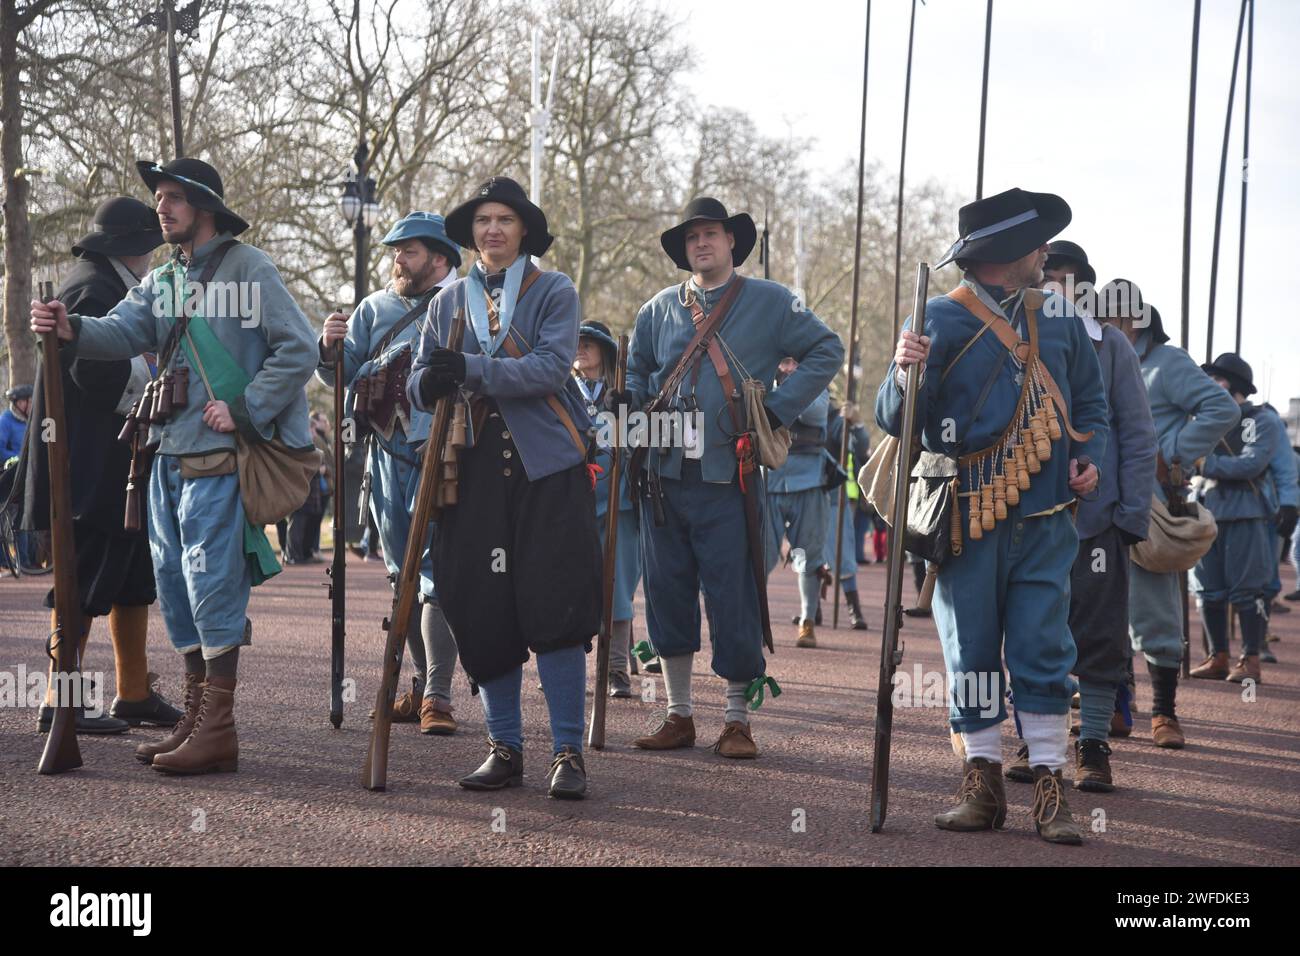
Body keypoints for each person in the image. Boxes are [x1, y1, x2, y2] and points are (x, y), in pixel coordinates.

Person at [30, 157, 318, 775]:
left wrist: (244, 407)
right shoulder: (165, 279)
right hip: (164, 454)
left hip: (217, 457)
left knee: (212, 583)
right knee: (178, 589)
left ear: (204, 206)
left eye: (173, 198)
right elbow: (117, 332)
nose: (161, 207)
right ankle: (195, 721)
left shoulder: (249, 267)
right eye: (158, 197)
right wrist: (69, 326)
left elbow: (301, 347)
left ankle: (218, 728)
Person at [877, 187, 1109, 844]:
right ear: (1012, 253)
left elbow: (1091, 412)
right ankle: (980, 780)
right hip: (964, 517)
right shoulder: (939, 320)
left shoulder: (1061, 321)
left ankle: (1049, 785)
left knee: (1043, 648)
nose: (1045, 254)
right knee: (971, 651)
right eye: (1037, 245)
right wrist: (902, 375)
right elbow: (897, 422)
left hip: (1045, 516)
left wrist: (1089, 462)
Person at [624, 196, 842, 759]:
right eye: (693, 236)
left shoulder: (771, 302)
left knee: (734, 594)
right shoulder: (656, 309)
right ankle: (677, 714)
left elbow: (826, 349)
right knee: (667, 592)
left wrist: (775, 409)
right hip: (664, 478)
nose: (702, 243)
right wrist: (641, 410)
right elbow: (637, 373)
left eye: (712, 234)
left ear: (730, 242)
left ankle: (737, 719)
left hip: (733, 477)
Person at [408, 176, 601, 798]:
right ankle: (505, 746)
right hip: (472, 472)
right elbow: (418, 378)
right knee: (482, 607)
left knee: (556, 604)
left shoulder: (554, 291)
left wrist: (469, 367)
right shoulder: (447, 300)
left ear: (523, 232)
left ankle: (567, 751)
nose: (493, 230)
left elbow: (549, 367)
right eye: (484, 221)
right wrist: (429, 383)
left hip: (546, 468)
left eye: (505, 221)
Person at [16, 196, 182, 734]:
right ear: (132, 248)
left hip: (112, 460)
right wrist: (156, 375)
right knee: (81, 581)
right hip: (89, 464)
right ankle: (58, 699)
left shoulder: (105, 284)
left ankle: (133, 693)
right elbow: (97, 376)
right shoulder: (95, 288)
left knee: (130, 578)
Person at [319, 211, 463, 734]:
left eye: (409, 251)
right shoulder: (373, 307)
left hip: (443, 455)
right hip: (384, 457)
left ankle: (439, 698)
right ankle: (422, 685)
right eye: (395, 251)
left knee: (435, 575)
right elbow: (341, 366)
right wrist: (329, 348)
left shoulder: (464, 302)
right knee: (399, 574)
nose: (398, 260)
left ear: (440, 257)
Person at [1023, 248, 1155, 793]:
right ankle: (1036, 744)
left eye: (1065, 282)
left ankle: (1093, 745)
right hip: (1031, 515)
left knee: (1099, 635)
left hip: (1098, 520)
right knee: (1032, 633)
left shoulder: (1112, 345)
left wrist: (1130, 515)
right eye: (1047, 280)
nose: (1054, 290)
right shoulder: (1019, 336)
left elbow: (1138, 433)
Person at [1101, 292, 1239, 747]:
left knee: (1155, 611)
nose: (1106, 320)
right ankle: (1118, 708)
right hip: (1098, 498)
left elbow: (1222, 408)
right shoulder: (1096, 356)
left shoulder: (1167, 362)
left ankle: (1164, 714)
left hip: (1152, 504)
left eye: (1113, 312)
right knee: (1102, 611)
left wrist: (1172, 455)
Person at [1189, 354, 1280, 685]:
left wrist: (1203, 464)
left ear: (1230, 384)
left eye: (1216, 378)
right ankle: (1218, 656)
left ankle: (1250, 659)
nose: (1210, 385)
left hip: (1245, 512)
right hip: (1205, 511)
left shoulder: (1263, 421)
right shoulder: (1203, 419)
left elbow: (1250, 465)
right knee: (1207, 590)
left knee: (1247, 592)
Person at [574, 319, 642, 698]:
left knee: (616, 587)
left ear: (606, 352)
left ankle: (616, 669)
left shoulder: (625, 391)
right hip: (571, 501)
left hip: (620, 500)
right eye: (577, 342)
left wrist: (629, 417)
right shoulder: (562, 388)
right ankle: (567, 666)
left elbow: (642, 440)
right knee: (569, 586)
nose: (581, 348)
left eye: (589, 343)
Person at [763, 374, 831, 648]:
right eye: (785, 361)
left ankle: (807, 620)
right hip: (770, 478)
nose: (789, 367)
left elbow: (815, 415)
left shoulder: (817, 384)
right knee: (762, 555)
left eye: (795, 361)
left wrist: (783, 395)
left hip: (810, 480)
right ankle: (756, 619)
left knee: (808, 554)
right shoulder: (762, 379)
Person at [823, 399, 871, 630]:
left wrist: (856, 424)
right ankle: (810, 610)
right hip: (797, 490)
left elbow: (859, 447)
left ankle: (854, 608)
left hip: (833, 495)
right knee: (804, 554)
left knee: (843, 553)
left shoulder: (834, 417)